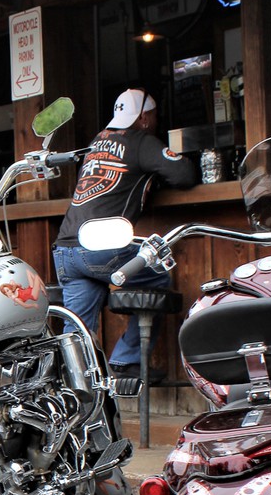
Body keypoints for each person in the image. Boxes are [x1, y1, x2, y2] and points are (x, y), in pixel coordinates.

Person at [53, 89, 197, 380]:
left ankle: (73, 387)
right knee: (157, 276)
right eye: (154, 116)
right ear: (144, 117)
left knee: (77, 331)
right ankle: (126, 361)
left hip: (66, 250)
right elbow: (184, 175)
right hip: (101, 246)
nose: (155, 121)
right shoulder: (141, 141)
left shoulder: (98, 142)